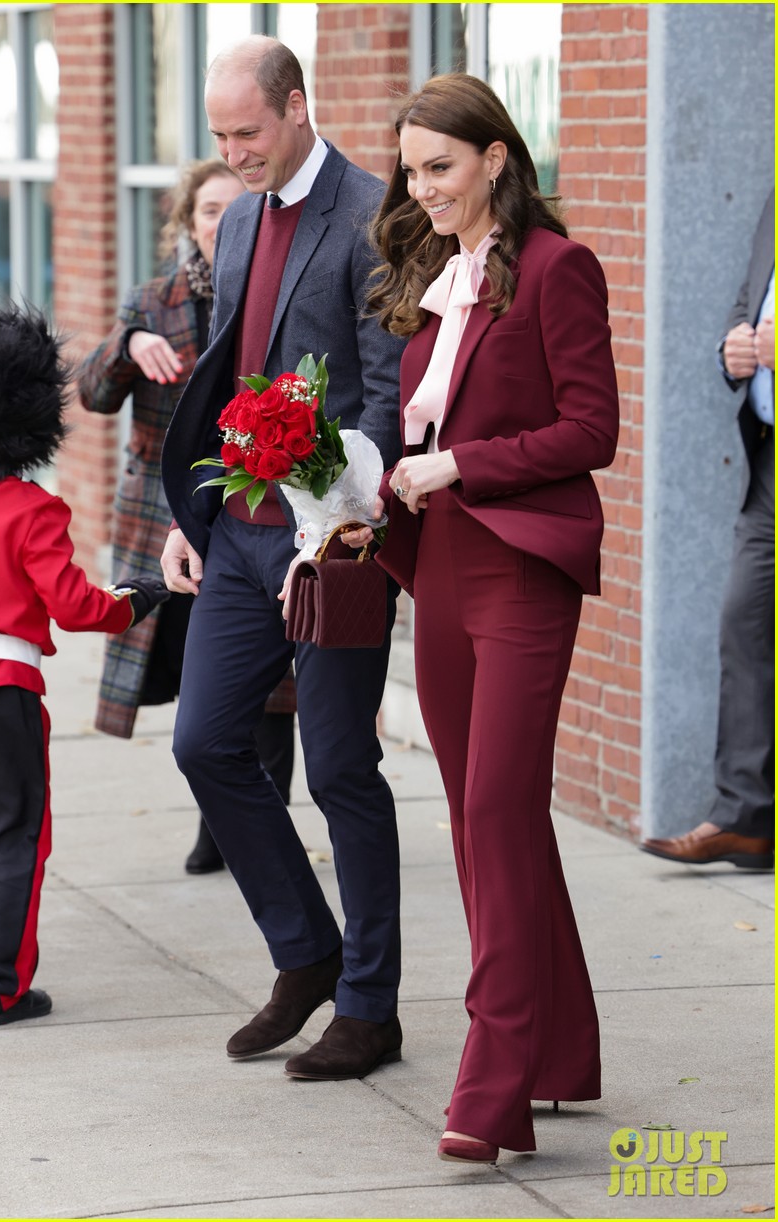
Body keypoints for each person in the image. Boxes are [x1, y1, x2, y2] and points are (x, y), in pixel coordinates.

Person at [358, 73, 619, 1162]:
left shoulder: (559, 270)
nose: (422, 191)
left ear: (496, 159)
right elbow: (423, 425)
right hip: (445, 572)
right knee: (479, 822)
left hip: (519, 572)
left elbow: (589, 431)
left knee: (501, 815)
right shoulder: (441, 274)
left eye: (441, 168)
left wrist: (463, 463)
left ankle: (495, 1080)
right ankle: (560, 1054)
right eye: (412, 171)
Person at [160, 36, 406, 1080]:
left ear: (297, 106)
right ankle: (307, 953)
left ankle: (369, 1004)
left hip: (334, 540)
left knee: (345, 767)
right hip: (240, 533)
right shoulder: (245, 212)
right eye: (218, 137)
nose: (233, 155)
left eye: (247, 133)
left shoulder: (371, 215)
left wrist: (362, 513)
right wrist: (194, 510)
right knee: (203, 741)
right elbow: (232, 373)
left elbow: (388, 389)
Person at [78, 159, 297, 876]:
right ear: (187, 222)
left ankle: (254, 830)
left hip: (254, 507)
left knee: (267, 685)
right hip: (164, 513)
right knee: (195, 675)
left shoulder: (274, 289)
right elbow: (91, 393)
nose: (222, 223)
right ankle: (221, 816)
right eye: (208, 210)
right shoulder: (155, 298)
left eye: (236, 209)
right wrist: (127, 347)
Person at [0, 298, 169, 1026]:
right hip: (1, 690)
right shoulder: (30, 508)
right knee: (13, 836)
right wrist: (138, 600)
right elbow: (79, 607)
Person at [641, 190, 775, 870]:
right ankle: (745, 817)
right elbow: (747, 303)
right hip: (768, 466)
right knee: (742, 624)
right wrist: (735, 347)